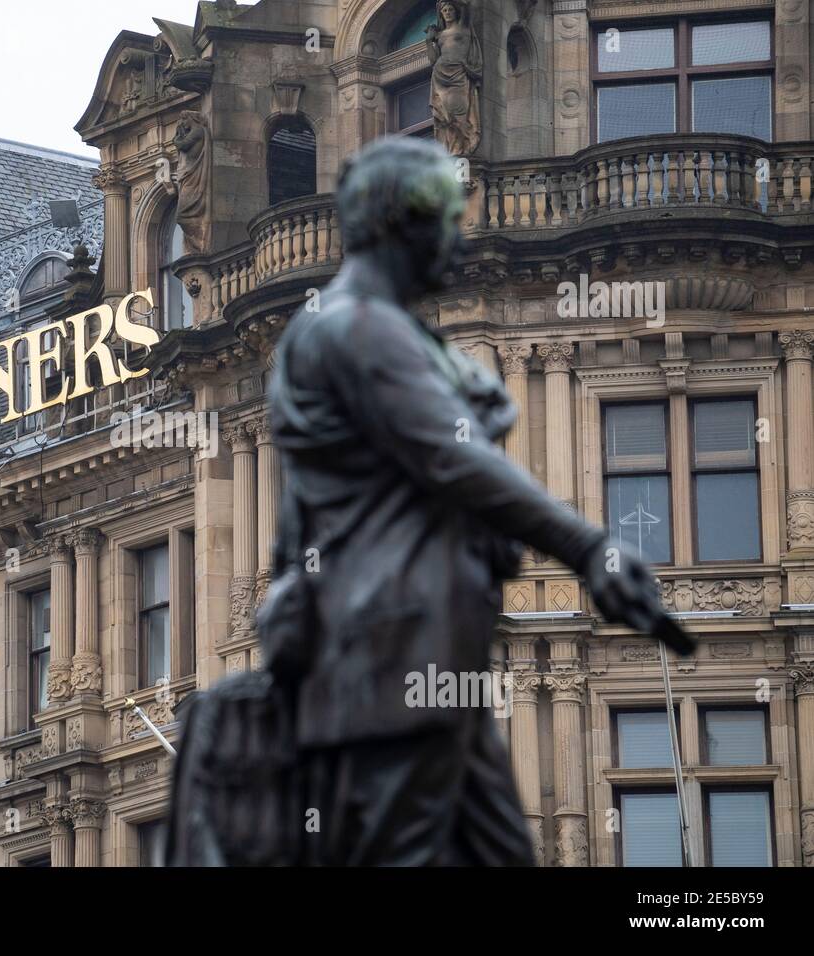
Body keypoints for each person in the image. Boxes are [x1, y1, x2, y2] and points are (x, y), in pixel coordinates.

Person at [179, 136, 693, 866]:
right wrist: (588, 547)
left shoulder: (386, 335)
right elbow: (455, 458)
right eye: (446, 220)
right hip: (389, 658)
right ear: (404, 224)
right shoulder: (354, 329)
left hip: (428, 660)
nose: (458, 236)